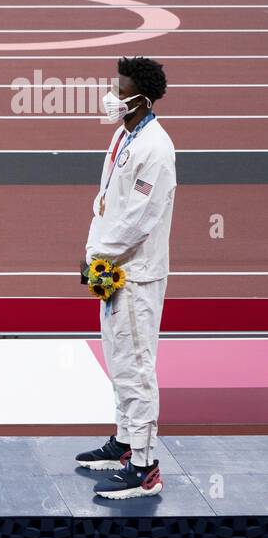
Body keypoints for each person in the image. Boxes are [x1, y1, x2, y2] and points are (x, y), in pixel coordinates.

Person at [75, 57, 175, 500]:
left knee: (136, 368)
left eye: (121, 89)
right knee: (116, 360)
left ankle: (145, 466)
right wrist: (92, 253)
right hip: (110, 270)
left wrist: (98, 253)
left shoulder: (156, 148)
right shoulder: (122, 135)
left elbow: (140, 219)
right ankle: (124, 442)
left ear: (143, 99)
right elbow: (106, 202)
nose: (112, 96)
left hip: (135, 275)